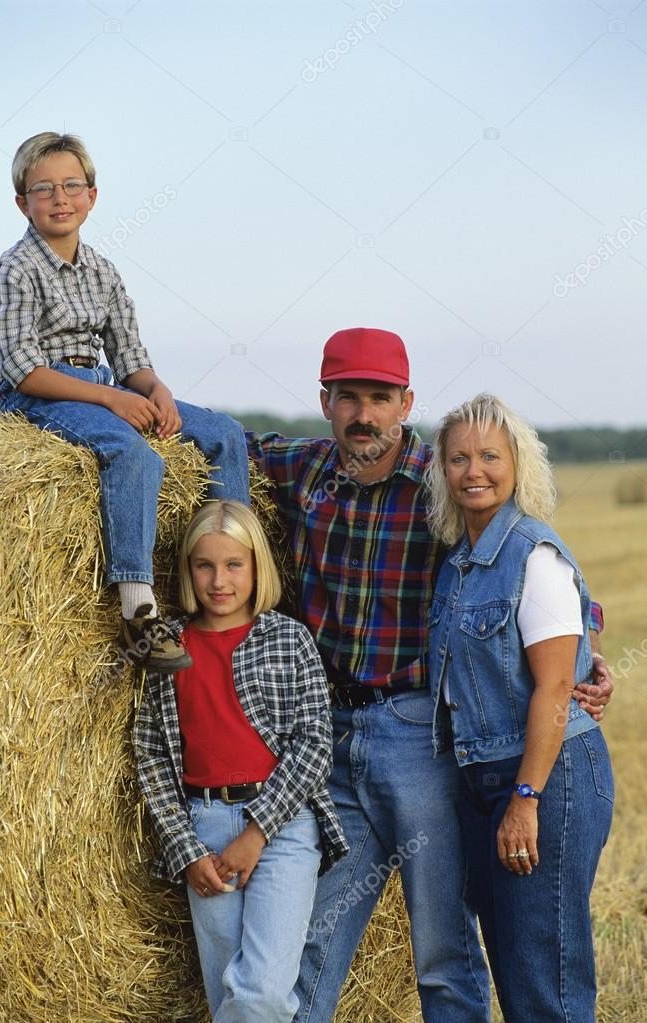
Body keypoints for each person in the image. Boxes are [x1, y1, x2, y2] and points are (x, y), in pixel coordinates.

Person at [247, 327, 614, 1023]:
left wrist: (585, 657)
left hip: (421, 737)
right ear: (325, 401)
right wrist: (127, 399)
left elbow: (541, 574)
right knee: (312, 936)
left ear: (405, 401)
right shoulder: (306, 470)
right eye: (348, 397)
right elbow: (213, 440)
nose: (364, 413)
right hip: (329, 733)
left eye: (379, 397)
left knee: (452, 946)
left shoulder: (440, 486)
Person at [0, 131, 250, 671]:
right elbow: (21, 369)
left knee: (224, 432)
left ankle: (234, 567)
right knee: (132, 452)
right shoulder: (13, 270)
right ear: (22, 203)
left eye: (72, 185)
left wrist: (155, 390)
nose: (60, 198)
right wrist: (111, 400)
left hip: (108, 382)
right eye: (44, 189)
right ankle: (139, 609)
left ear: (92, 196)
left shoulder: (103, 271)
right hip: (41, 394)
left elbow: (131, 356)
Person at [425, 393, 614, 1022]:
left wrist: (526, 799)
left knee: (545, 979)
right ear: (442, 472)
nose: (473, 471)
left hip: (544, 778)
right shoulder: (457, 565)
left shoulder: (532, 553)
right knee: (515, 970)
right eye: (458, 459)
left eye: (489, 456)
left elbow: (557, 689)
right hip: (488, 776)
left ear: (517, 464)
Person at [132, 500, 347, 1023]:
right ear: (187, 571)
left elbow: (314, 743)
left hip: (282, 829)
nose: (219, 581)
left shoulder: (289, 639)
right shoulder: (168, 648)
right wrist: (185, 850)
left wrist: (257, 832)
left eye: (234, 565)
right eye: (204, 565)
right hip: (202, 832)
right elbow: (153, 756)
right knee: (225, 996)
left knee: (262, 996)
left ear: (257, 568)